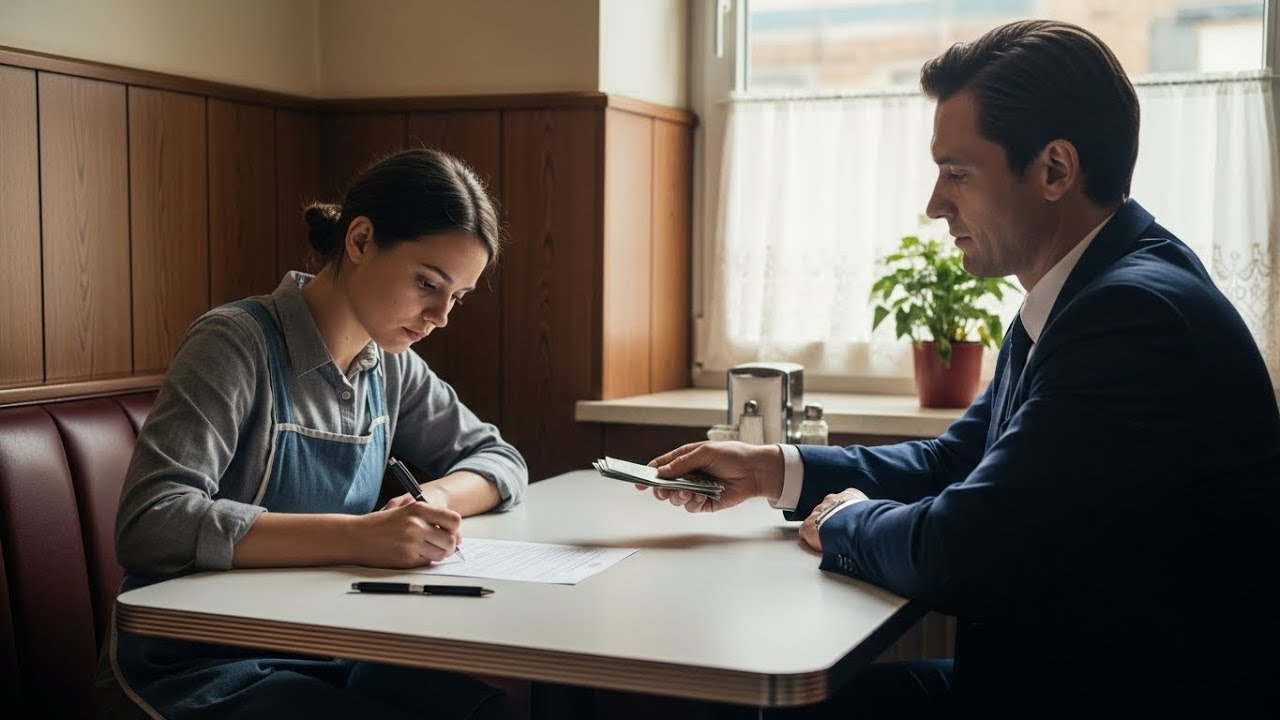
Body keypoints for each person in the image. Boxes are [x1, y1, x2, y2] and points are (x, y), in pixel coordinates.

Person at [641, 19, 1280, 719]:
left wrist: (848, 521)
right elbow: (957, 462)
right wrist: (775, 470)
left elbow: (960, 549)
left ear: (1055, 170)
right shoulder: (1085, 290)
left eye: (957, 172)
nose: (935, 203)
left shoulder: (1130, 318)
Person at [93, 148, 529, 719]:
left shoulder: (389, 361)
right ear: (360, 240)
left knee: (486, 712)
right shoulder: (234, 343)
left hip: (330, 644)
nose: (440, 316)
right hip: (196, 661)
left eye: (458, 298)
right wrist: (359, 536)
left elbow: (500, 458)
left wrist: (435, 500)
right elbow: (151, 524)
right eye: (427, 283)